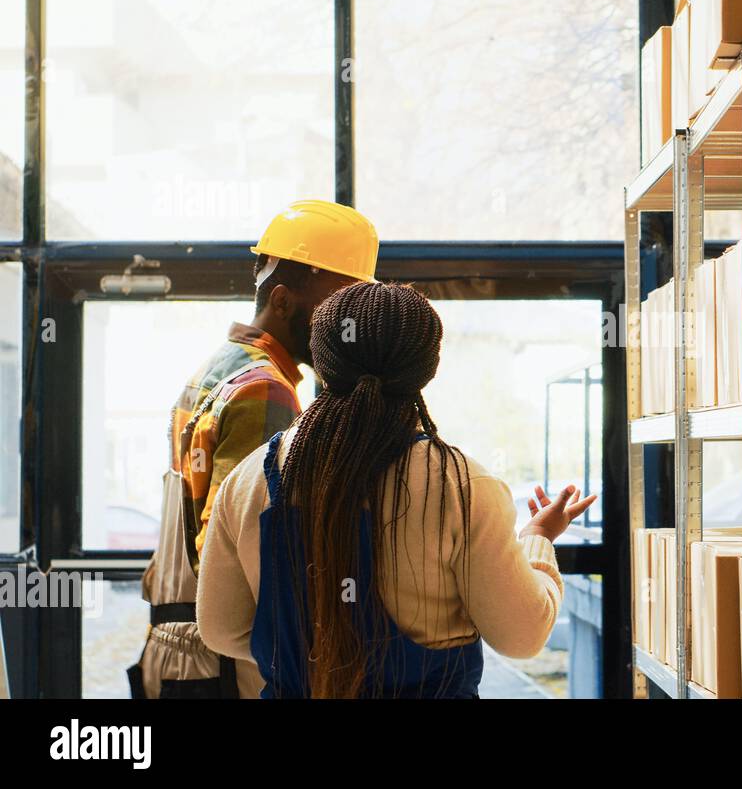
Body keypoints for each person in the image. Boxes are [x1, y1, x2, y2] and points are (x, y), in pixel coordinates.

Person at [195, 281, 596, 698]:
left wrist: (317, 653)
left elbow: (221, 631)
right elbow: (521, 637)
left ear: (323, 359)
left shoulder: (247, 481)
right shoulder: (461, 485)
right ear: (427, 366)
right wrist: (538, 539)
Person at [130, 199, 381, 699]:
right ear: (284, 302)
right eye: (336, 308)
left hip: (181, 649)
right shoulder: (266, 389)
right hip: (221, 662)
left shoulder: (216, 371)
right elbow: (237, 548)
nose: (344, 328)